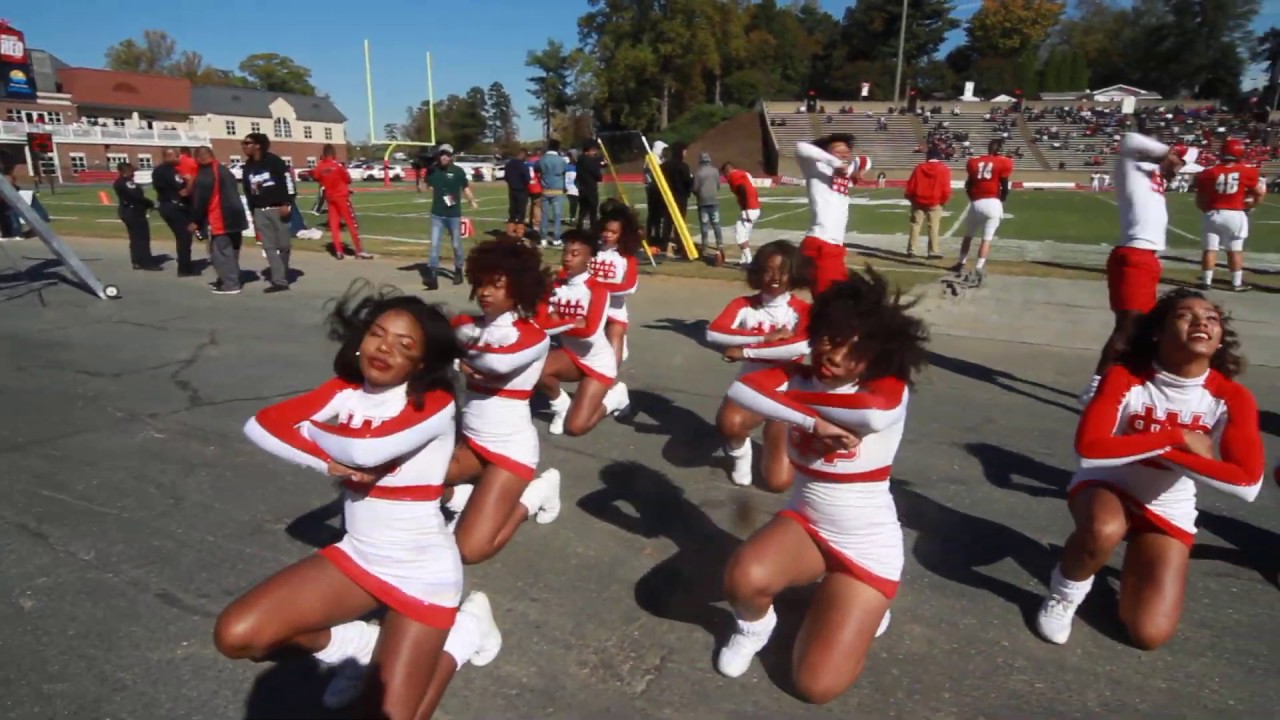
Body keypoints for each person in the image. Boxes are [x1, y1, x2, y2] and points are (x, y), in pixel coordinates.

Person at [218, 287, 500, 720]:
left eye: (404, 345)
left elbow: (367, 452)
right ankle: (357, 645)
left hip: (419, 574)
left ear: (420, 362)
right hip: (357, 557)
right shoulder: (345, 389)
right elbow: (261, 425)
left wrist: (309, 431)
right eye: (377, 334)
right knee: (238, 636)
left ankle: (464, 635)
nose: (384, 348)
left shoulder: (433, 402)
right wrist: (331, 462)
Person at [322, 242, 564, 711]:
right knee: (404, 488)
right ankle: (382, 630)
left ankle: (533, 496)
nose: (486, 292)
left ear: (519, 288)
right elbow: (441, 340)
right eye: (482, 282)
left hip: (510, 450)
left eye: (498, 284)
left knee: (471, 549)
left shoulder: (531, 334)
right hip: (471, 443)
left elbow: (494, 363)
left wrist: (457, 349)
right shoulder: (472, 326)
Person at [716, 269, 928, 702]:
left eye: (857, 349)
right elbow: (741, 390)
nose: (836, 356)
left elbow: (869, 416)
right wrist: (811, 420)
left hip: (866, 548)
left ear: (876, 355)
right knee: (743, 578)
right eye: (831, 338)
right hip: (808, 526)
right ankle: (756, 627)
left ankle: (862, 609)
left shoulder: (886, 387)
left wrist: (787, 398)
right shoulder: (801, 375)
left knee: (815, 686)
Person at [1035, 288, 1265, 650]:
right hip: (1107, 482)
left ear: (1220, 339)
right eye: (1185, 315)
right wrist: (1177, 437)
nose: (1202, 321)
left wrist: (1161, 447)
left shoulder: (1232, 397)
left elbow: (1247, 481)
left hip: (1167, 502)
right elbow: (1091, 450)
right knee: (1103, 529)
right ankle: (1065, 591)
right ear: (1157, 332)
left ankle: (1126, 568)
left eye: (1212, 318)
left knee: (1148, 635)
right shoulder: (1124, 378)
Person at [1079, 134, 1191, 406]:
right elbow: (1128, 139)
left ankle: (1128, 384)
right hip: (1136, 254)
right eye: (1177, 166)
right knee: (1130, 328)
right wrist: (1170, 153)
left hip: (1143, 256)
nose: (1178, 172)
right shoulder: (1132, 165)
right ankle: (1096, 390)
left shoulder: (1152, 176)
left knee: (1136, 329)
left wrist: (1172, 162)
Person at [706, 240, 814, 486]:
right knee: (729, 423)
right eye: (768, 269)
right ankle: (741, 453)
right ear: (757, 272)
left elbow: (799, 347)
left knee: (778, 483)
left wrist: (746, 352)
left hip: (785, 391)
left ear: (793, 273)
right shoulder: (744, 305)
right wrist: (764, 337)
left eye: (782, 270)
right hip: (750, 386)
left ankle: (778, 434)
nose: (775, 277)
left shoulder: (802, 310)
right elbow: (713, 333)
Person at [535, 229, 631, 436]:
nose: (568, 258)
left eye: (575, 254)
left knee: (576, 428)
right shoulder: (553, 286)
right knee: (533, 366)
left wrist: (557, 320)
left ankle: (616, 398)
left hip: (598, 363)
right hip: (571, 356)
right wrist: (572, 321)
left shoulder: (597, 289)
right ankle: (560, 406)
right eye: (566, 252)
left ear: (589, 259)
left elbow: (589, 331)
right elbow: (538, 323)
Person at [796, 134, 871, 293]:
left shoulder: (847, 170)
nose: (844, 155)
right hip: (821, 243)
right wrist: (834, 162)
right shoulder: (816, 169)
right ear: (826, 154)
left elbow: (865, 159)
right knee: (829, 300)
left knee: (836, 300)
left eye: (846, 152)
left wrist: (860, 170)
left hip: (834, 246)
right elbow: (800, 147)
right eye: (838, 151)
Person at [1197, 138, 1263, 292]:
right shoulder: (1247, 171)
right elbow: (1258, 193)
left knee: (1210, 249)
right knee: (1235, 250)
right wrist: (1253, 205)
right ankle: (1236, 283)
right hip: (1235, 214)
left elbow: (1200, 199)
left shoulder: (1209, 172)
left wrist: (1206, 210)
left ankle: (1206, 282)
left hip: (1213, 213)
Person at [588, 199, 643, 369]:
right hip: (589, 308)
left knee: (614, 343)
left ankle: (609, 382)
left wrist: (598, 289)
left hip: (614, 310)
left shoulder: (626, 257)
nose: (607, 235)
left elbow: (630, 286)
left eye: (613, 232)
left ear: (622, 234)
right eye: (605, 230)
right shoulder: (591, 251)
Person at [240, 132, 296, 294]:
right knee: (269, 246)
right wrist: (252, 212)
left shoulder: (274, 162)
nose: (244, 146)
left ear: (258, 145)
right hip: (260, 211)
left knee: (284, 245)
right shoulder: (248, 167)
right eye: (243, 143)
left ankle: (282, 273)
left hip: (278, 208)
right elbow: (248, 190)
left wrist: (286, 203)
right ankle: (279, 280)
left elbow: (288, 181)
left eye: (247, 143)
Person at [953, 138, 1014, 284]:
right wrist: (1001, 201)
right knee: (986, 239)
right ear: (999, 150)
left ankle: (961, 263)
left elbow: (968, 185)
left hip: (976, 202)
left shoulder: (974, 162)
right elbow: (1004, 187)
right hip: (992, 202)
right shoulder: (1003, 162)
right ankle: (979, 266)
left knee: (968, 236)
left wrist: (973, 199)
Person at [190, 147, 249, 295]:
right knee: (232, 251)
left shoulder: (205, 174)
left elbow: (200, 201)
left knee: (220, 253)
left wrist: (195, 221)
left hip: (220, 217)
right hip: (236, 216)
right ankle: (231, 278)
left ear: (199, 157)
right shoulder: (224, 170)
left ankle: (231, 284)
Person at [425, 144, 479, 291]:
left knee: (456, 245)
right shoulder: (433, 171)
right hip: (437, 214)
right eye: (442, 154)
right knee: (435, 245)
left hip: (453, 214)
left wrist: (471, 201)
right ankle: (433, 275)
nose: (444, 157)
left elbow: (465, 188)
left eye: (447, 155)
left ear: (451, 157)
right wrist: (420, 174)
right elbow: (424, 189)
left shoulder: (458, 172)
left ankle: (458, 270)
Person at [313, 144, 372, 260]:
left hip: (330, 197)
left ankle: (338, 251)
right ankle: (359, 250)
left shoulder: (320, 166)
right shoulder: (337, 166)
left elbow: (316, 177)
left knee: (334, 225)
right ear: (333, 153)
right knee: (351, 223)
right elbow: (348, 179)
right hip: (341, 197)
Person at [151, 149, 198, 277]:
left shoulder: (162, 170)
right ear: (169, 156)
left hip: (169, 205)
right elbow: (182, 190)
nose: (179, 158)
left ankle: (185, 264)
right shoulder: (168, 171)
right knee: (184, 236)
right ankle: (184, 268)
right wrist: (189, 181)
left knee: (183, 236)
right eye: (177, 156)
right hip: (174, 206)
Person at [904, 147, 951, 259]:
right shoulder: (943, 169)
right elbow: (946, 188)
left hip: (918, 201)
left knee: (915, 226)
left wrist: (910, 198)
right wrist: (944, 201)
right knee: (933, 227)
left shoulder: (919, 168)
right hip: (935, 201)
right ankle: (933, 251)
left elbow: (911, 184)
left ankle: (912, 250)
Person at [112, 162, 159, 271]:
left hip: (128, 211)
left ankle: (137, 261)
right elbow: (136, 196)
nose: (133, 173)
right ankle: (147, 262)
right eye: (131, 171)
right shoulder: (126, 182)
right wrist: (151, 203)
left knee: (135, 238)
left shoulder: (120, 182)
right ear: (126, 171)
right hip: (134, 212)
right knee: (142, 237)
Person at [722, 161, 761, 266]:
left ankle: (749, 260)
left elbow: (742, 190)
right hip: (754, 207)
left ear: (727, 171)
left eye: (725, 174)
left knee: (740, 235)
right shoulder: (743, 173)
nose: (725, 177)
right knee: (745, 234)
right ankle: (745, 260)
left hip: (749, 208)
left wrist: (745, 209)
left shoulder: (734, 176)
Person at [660, 143, 694, 258]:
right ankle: (679, 246)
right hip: (680, 197)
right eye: (684, 151)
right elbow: (687, 182)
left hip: (667, 196)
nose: (686, 153)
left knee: (667, 222)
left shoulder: (665, 165)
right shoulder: (683, 166)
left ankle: (665, 244)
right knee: (679, 223)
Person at [693, 152, 724, 260]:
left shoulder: (698, 172)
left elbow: (695, 188)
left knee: (704, 226)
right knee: (716, 224)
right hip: (714, 200)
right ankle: (720, 244)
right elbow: (718, 185)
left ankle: (705, 246)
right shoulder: (715, 171)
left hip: (703, 202)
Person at [538, 140, 568, 246]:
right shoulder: (561, 160)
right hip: (557, 189)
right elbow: (565, 171)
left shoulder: (542, 160)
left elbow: (536, 169)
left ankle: (543, 238)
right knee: (557, 215)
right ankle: (556, 238)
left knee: (544, 215)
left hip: (545, 189)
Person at [644, 141, 669, 257]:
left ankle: (653, 235)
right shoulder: (652, 158)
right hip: (654, 189)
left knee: (655, 215)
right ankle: (653, 237)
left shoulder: (651, 157)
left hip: (652, 188)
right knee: (656, 214)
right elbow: (660, 171)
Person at [503, 148, 530, 240]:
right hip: (522, 191)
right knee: (521, 213)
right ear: (523, 155)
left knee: (512, 212)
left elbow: (506, 177)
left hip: (512, 190)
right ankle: (519, 234)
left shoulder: (509, 164)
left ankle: (510, 232)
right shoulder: (523, 165)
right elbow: (527, 179)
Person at [576, 142, 604, 230]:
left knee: (582, 212)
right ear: (589, 151)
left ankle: (580, 229)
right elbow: (598, 176)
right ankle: (593, 230)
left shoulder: (579, 161)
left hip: (581, 188)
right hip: (591, 189)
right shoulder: (591, 161)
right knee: (593, 213)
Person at [565, 151, 580, 226]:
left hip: (571, 189)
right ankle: (573, 219)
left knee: (574, 204)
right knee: (574, 204)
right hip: (573, 189)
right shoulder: (570, 167)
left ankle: (573, 218)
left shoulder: (576, 166)